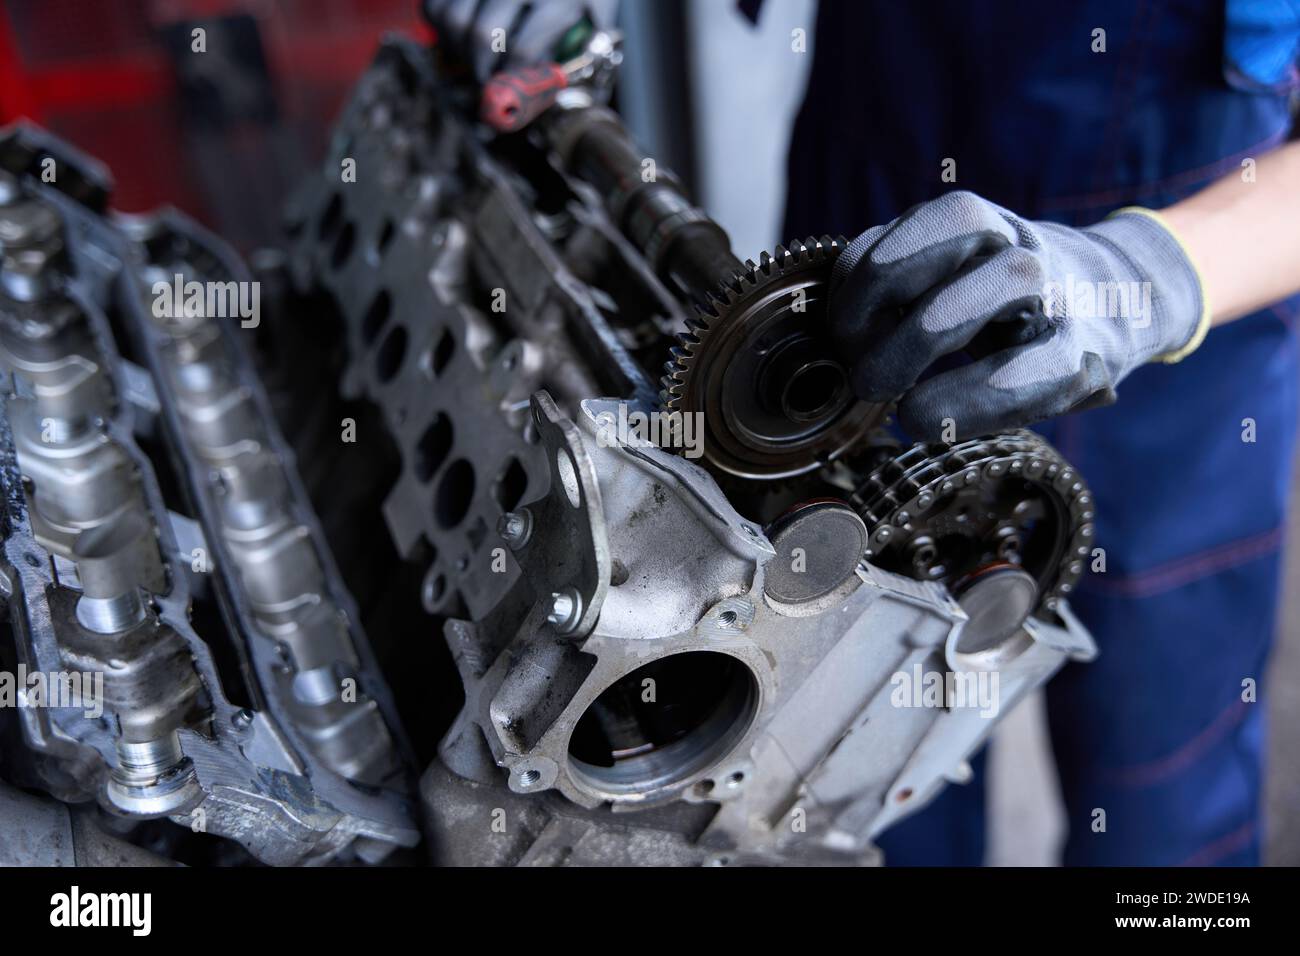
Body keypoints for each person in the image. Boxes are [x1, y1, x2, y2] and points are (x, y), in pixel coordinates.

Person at [426, 0, 1300, 865]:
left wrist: (1153, 275)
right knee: (838, 756)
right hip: (880, 160)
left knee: (1162, 801)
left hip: (1194, 254)